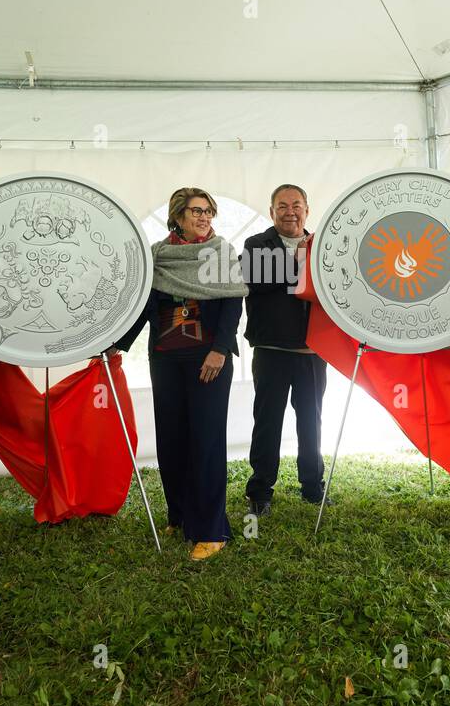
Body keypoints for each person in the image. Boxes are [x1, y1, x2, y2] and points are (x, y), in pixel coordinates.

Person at [109, 188, 247, 561]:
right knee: (172, 439)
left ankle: (212, 531)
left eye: (208, 211)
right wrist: (117, 345)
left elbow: (233, 303)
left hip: (208, 358)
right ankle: (180, 515)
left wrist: (220, 350)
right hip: (165, 358)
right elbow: (144, 306)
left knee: (206, 441)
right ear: (178, 217)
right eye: (196, 211)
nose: (204, 218)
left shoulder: (221, 253)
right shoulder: (158, 255)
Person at [240, 184, 328, 515]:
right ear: (272, 211)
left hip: (312, 351)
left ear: (307, 209)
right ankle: (260, 490)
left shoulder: (322, 244)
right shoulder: (256, 244)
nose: (290, 211)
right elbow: (257, 279)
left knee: (311, 420)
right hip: (271, 349)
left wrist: (299, 261)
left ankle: (313, 487)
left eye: (296, 205)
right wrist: (301, 263)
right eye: (282, 206)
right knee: (268, 421)